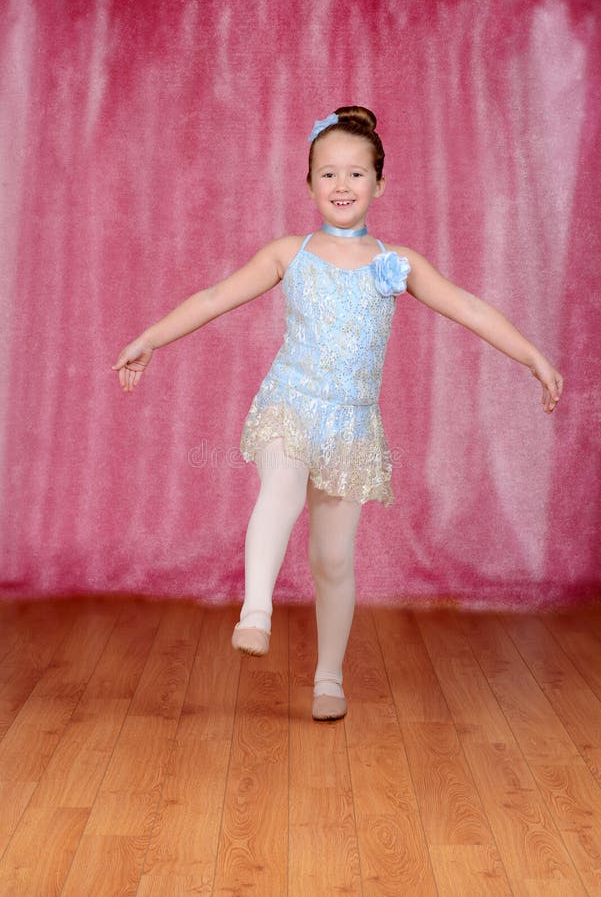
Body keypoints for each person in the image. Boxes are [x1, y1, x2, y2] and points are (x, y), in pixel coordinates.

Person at [112, 106, 563, 722]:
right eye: (327, 174)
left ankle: (329, 677)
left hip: (351, 424)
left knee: (333, 558)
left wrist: (532, 355)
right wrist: (150, 339)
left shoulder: (396, 262)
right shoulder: (287, 254)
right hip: (290, 402)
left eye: (356, 173)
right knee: (281, 483)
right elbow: (215, 297)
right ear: (308, 185)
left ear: (379, 184)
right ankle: (257, 609)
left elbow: (470, 308)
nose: (342, 185)